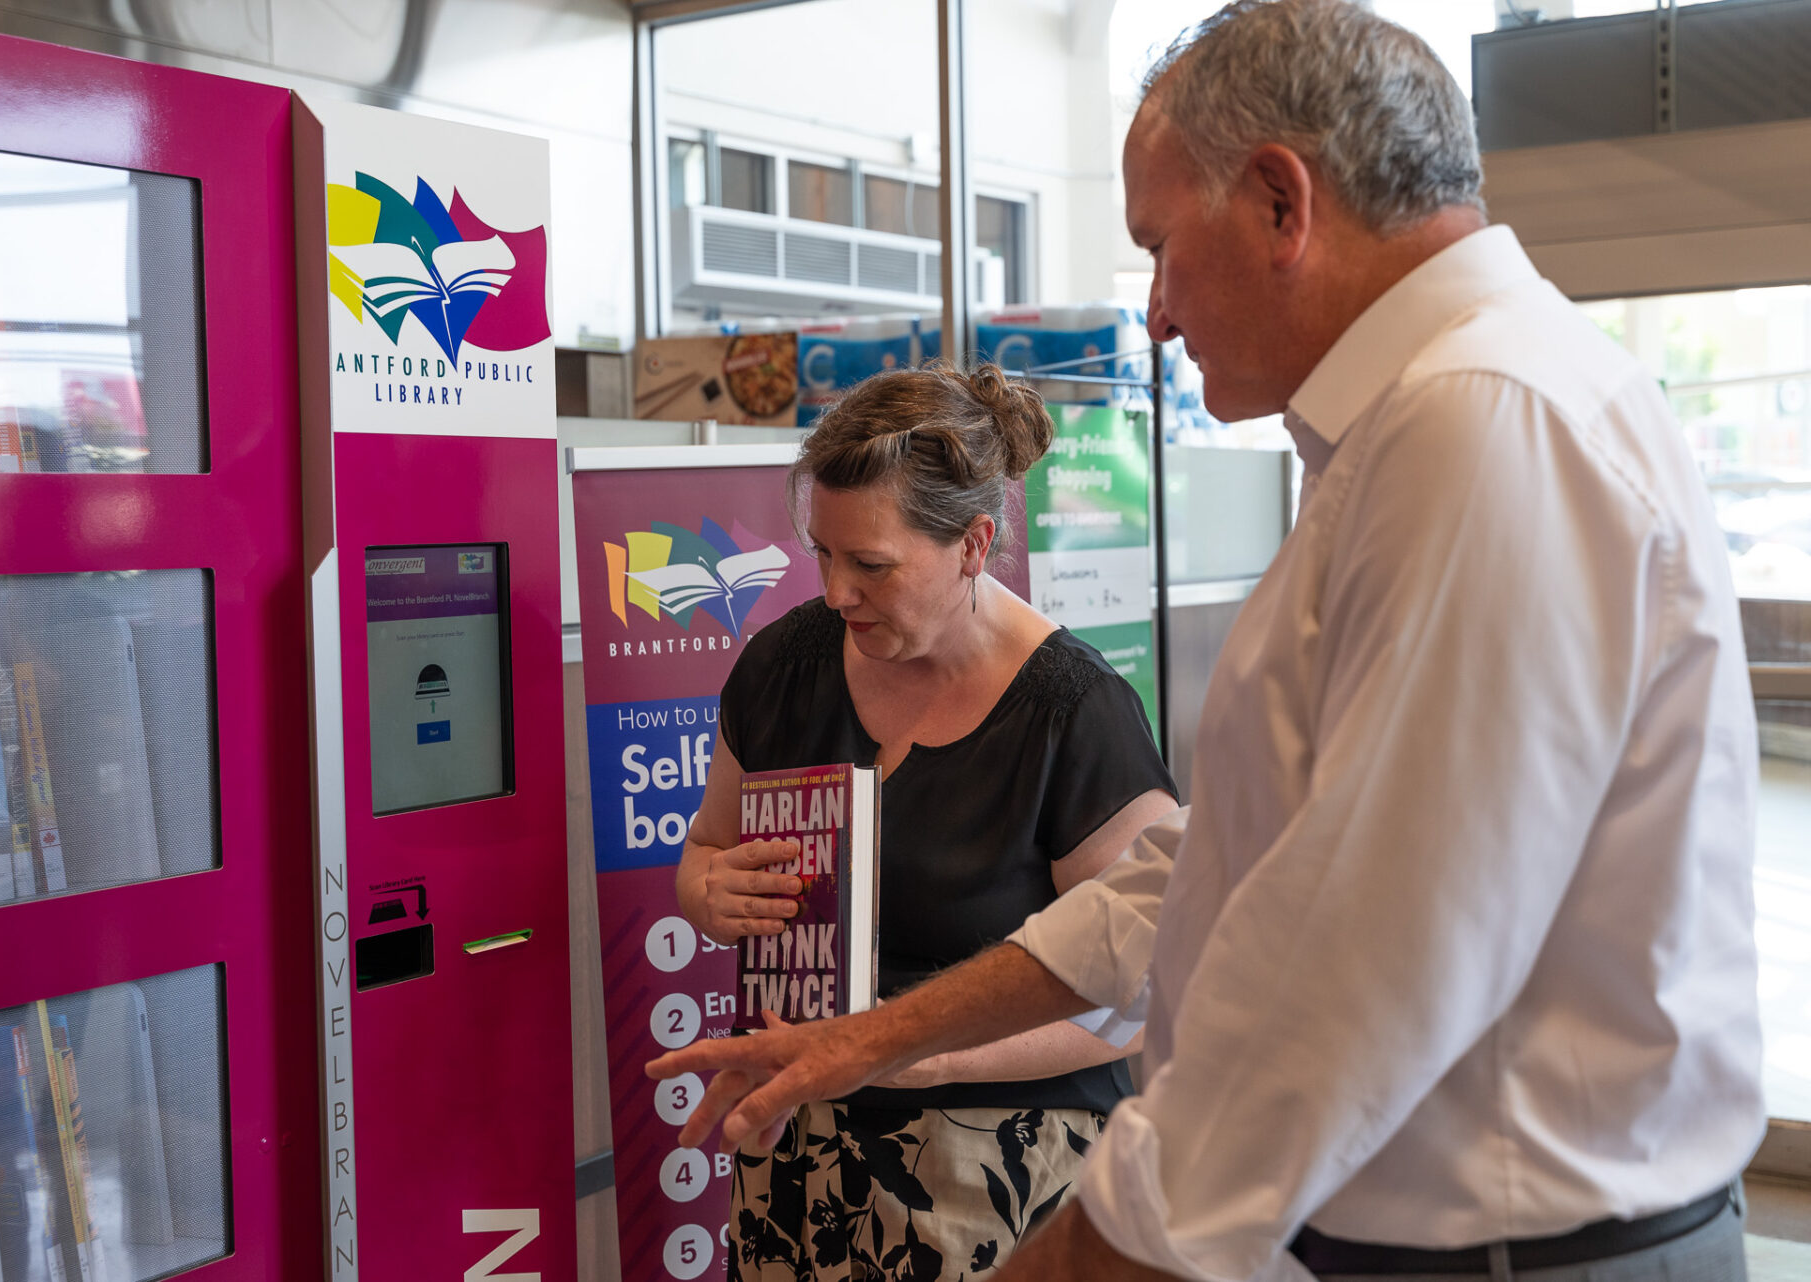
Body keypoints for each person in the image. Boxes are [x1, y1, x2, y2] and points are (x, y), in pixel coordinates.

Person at [650, 3, 1765, 1281]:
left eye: (1162, 248)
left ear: (1283, 203)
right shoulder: (1424, 430)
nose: (1161, 314)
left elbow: (1349, 980)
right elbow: (1194, 888)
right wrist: (866, 1043)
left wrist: (1076, 1258)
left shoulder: (1480, 430)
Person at [674, 359, 1179, 1281]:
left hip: (997, 1160)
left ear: (974, 544)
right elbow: (706, 848)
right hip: (797, 1137)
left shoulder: (1075, 716)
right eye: (820, 554)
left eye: (870, 565)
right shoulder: (782, 670)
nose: (834, 594)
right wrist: (708, 886)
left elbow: (1142, 998)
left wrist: (923, 1058)